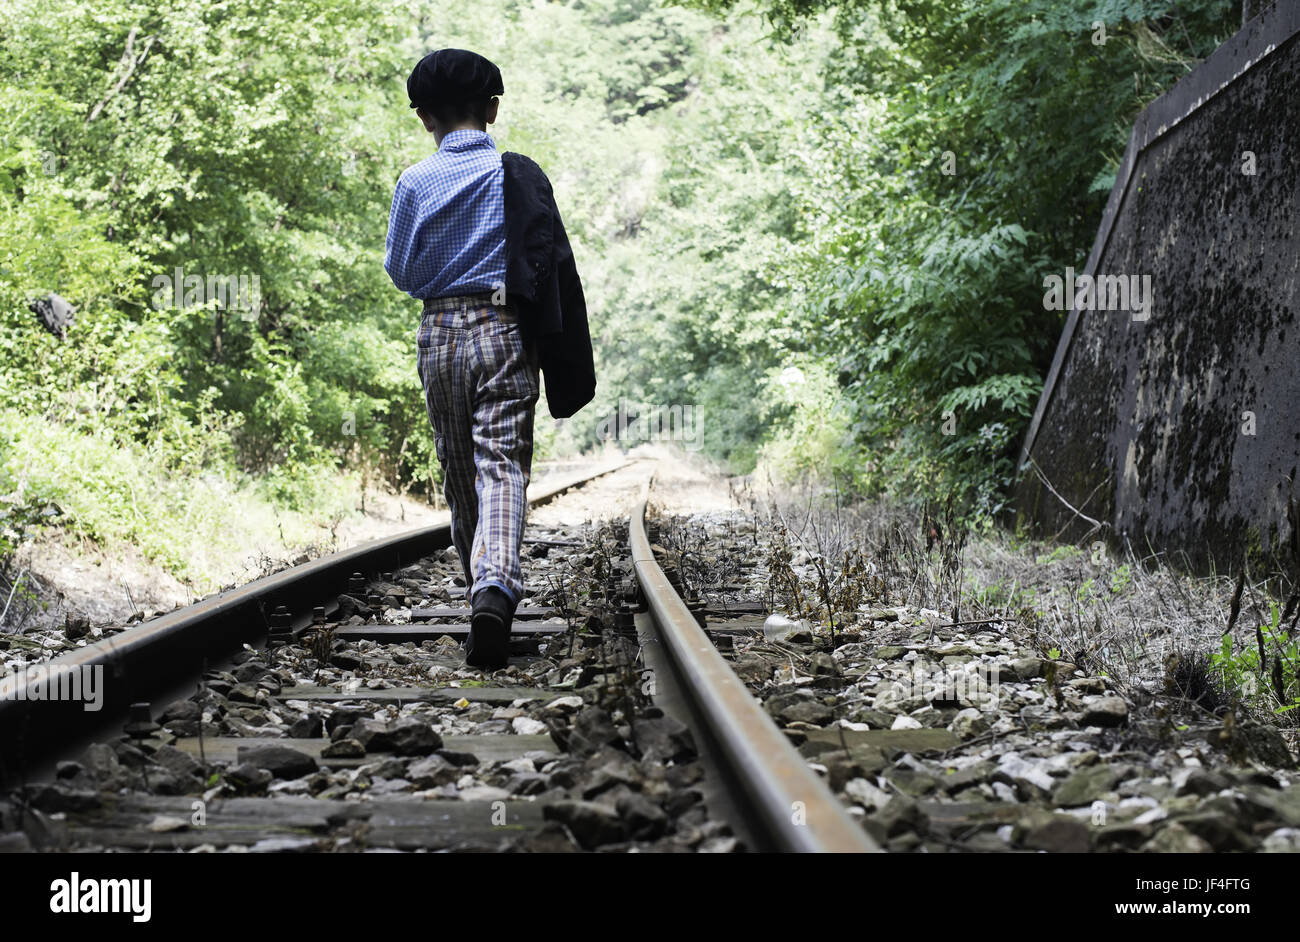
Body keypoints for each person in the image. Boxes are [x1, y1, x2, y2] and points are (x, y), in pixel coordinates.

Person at [385, 48, 595, 669]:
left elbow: (400, 271)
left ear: (425, 118)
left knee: (459, 468)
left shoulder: (415, 182)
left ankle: (480, 586)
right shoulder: (514, 176)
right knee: (501, 465)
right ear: (493, 110)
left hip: (441, 333)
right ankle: (494, 590)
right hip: (504, 332)